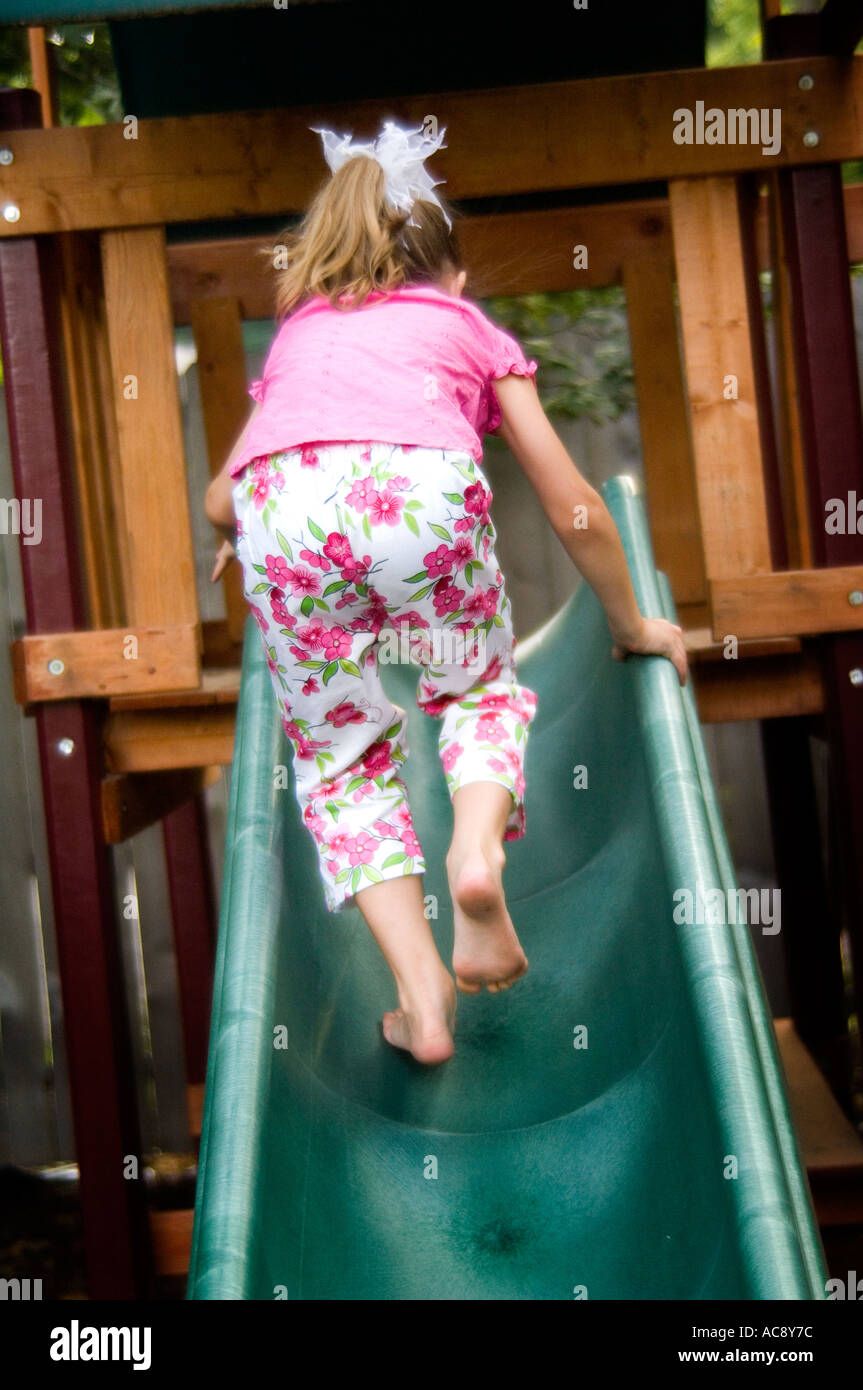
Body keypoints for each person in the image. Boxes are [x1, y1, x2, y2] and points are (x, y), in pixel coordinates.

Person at [205, 121, 687, 1067]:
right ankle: (473, 852)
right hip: (416, 504)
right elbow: (571, 502)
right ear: (450, 275)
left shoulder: (299, 336)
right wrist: (630, 622)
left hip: (284, 517)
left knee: (341, 758)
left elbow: (223, 493)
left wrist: (237, 535)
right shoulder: (465, 328)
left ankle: (423, 1003)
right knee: (473, 690)